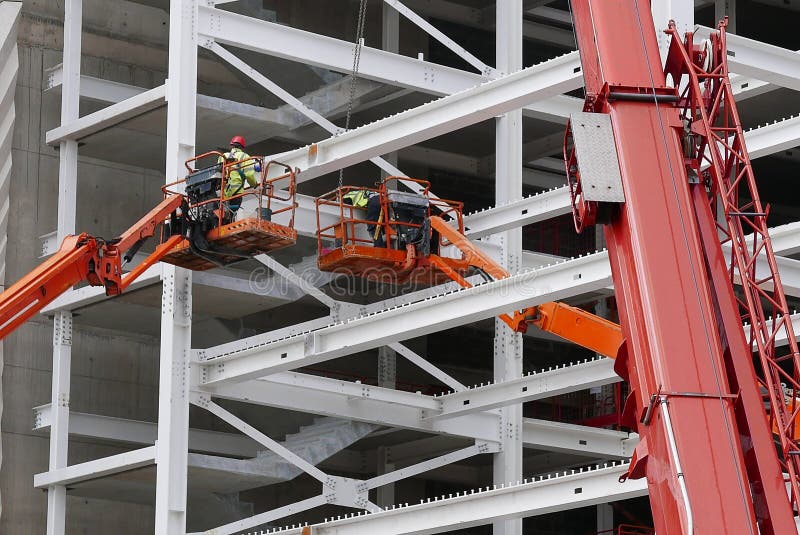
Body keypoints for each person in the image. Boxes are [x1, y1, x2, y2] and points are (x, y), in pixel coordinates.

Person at [218, 135, 260, 221]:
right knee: (232, 216)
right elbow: (249, 175)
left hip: (223, 192)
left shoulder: (223, 156)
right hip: (236, 193)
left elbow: (218, 172)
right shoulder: (245, 157)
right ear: (242, 147)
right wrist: (254, 184)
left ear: (232, 146)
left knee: (222, 215)